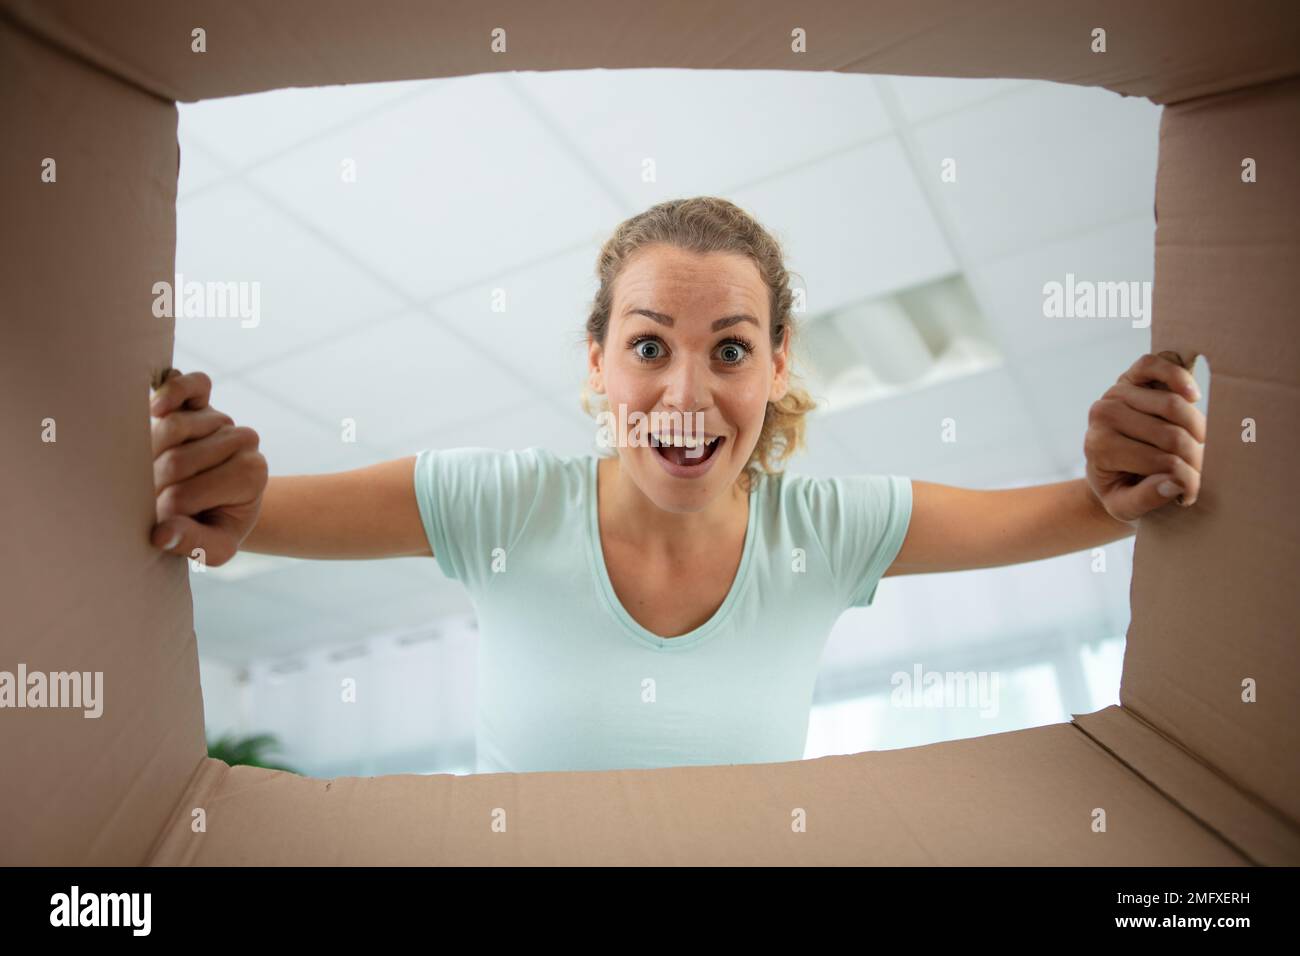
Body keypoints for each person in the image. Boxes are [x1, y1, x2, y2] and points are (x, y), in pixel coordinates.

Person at [147, 197, 1205, 773]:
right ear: (596, 361)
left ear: (779, 363)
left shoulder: (828, 530)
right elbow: (246, 515)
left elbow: (1077, 509)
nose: (686, 391)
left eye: (731, 349)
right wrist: (212, 491)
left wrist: (1121, 480)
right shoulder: (500, 504)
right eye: (649, 346)